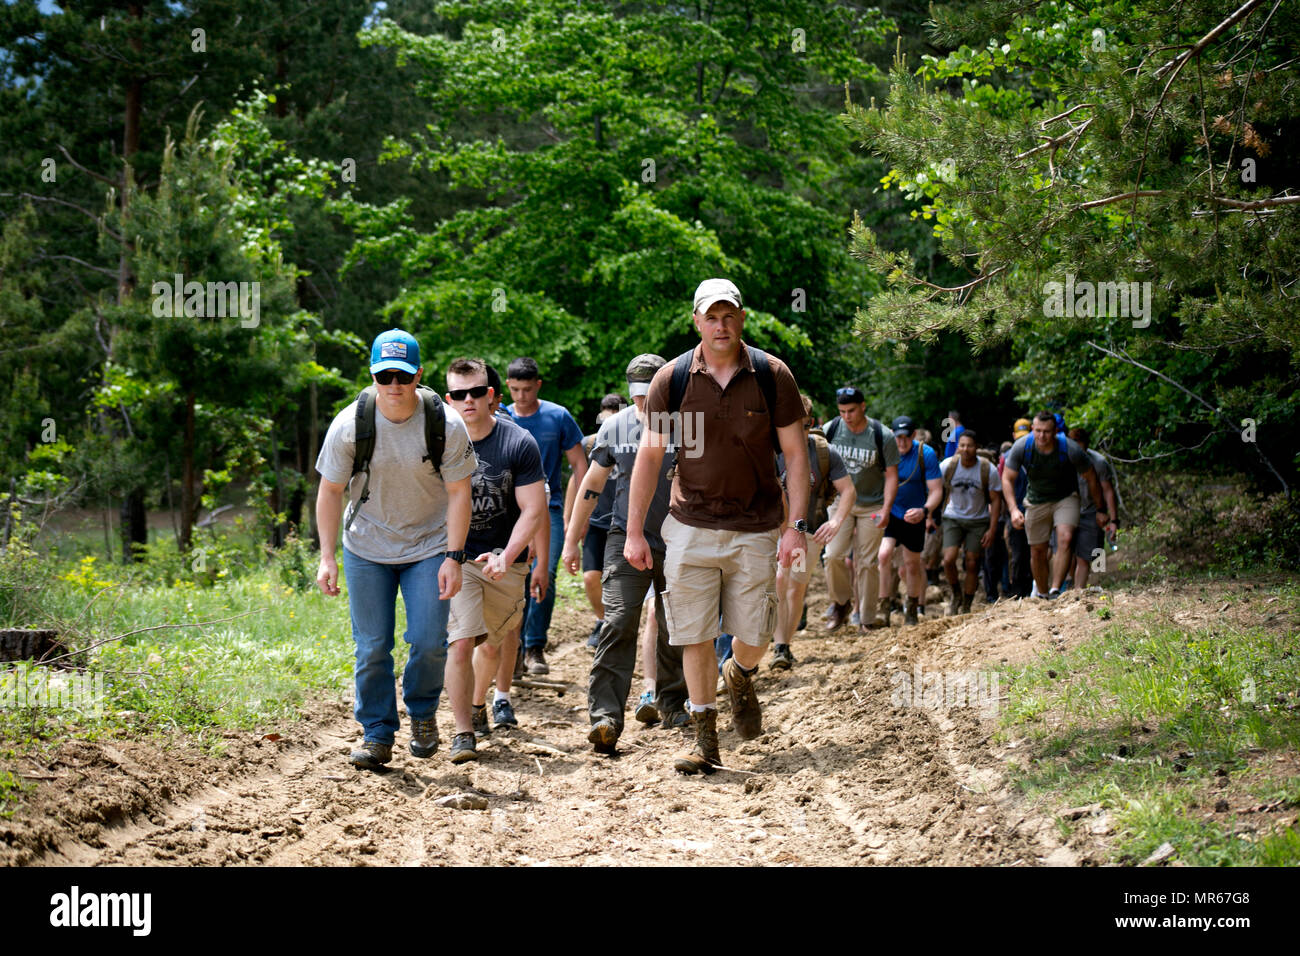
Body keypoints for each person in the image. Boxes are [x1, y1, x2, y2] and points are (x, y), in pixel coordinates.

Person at [625, 278, 808, 775]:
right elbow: (650, 454)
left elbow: (795, 455)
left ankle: (741, 672)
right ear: (697, 321)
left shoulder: (772, 375)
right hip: (689, 523)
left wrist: (797, 525)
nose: (721, 325)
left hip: (756, 524)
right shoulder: (673, 378)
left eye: (729, 315)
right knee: (694, 633)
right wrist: (635, 530)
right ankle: (705, 738)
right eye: (711, 316)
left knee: (755, 633)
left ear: (742, 318)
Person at [315, 329, 477, 770]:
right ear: (371, 376)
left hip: (429, 544)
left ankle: (423, 713)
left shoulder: (446, 423)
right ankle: (377, 732)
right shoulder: (350, 425)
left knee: (428, 641)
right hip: (366, 546)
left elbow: (460, 493)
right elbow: (330, 491)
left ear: (418, 375)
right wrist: (327, 557)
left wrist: (454, 556)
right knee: (371, 647)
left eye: (402, 376)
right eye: (384, 375)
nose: (393, 385)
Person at [563, 354, 688, 753]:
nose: (641, 405)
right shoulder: (615, 426)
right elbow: (591, 485)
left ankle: (671, 702)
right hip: (625, 537)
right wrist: (572, 538)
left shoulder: (689, 425)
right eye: (636, 397)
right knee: (618, 620)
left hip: (681, 535)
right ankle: (605, 717)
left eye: (648, 396)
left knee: (675, 622)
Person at [440, 358, 547, 763]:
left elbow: (534, 509)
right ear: (449, 401)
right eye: (458, 395)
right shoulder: (439, 444)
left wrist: (510, 554)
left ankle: (481, 702)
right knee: (462, 640)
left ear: (490, 395)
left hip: (505, 559)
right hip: (459, 558)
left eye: (475, 392)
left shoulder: (517, 443)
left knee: (491, 647)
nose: (467, 401)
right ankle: (463, 731)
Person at [506, 357, 588, 675]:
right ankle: (510, 648)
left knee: (545, 573)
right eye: (514, 390)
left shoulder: (558, 417)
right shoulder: (502, 417)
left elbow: (580, 465)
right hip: (510, 511)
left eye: (527, 389)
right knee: (515, 575)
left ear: (537, 386)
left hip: (550, 510)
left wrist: (575, 515)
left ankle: (534, 646)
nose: (521, 396)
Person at [773, 394, 855, 668]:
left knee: (795, 589)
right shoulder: (772, 450)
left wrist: (835, 522)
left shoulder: (822, 452)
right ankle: (777, 646)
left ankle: (784, 645)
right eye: (794, 424)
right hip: (773, 529)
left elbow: (848, 491)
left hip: (807, 531)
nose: (801, 430)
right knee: (778, 583)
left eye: (805, 424)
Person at [1001, 411, 1108, 598]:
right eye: (1038, 431)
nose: (1042, 436)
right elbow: (1007, 478)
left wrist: (1100, 509)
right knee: (1038, 550)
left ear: (1055, 431)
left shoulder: (1070, 449)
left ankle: (1055, 589)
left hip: (1066, 497)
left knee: (1065, 538)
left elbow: (1091, 477)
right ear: (1033, 429)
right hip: (1036, 500)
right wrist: (1013, 509)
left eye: (1047, 432)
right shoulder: (1022, 447)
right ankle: (1042, 593)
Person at [821, 387, 899, 631]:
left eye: (851, 410)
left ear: (863, 406)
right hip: (839, 503)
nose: (847, 416)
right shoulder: (830, 431)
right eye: (842, 411)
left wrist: (887, 509)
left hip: (871, 505)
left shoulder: (882, 435)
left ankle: (866, 617)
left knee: (867, 562)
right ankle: (841, 603)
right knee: (832, 556)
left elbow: (891, 476)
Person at [875, 416, 943, 626]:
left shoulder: (925, 454)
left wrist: (925, 510)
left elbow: (936, 490)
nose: (902, 442)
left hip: (914, 515)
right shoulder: (885, 452)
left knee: (912, 565)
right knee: (883, 555)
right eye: (898, 438)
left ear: (913, 436)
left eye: (906, 438)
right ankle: (883, 607)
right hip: (890, 512)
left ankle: (912, 608)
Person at [938, 430, 1002, 615]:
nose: (965, 449)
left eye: (970, 445)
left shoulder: (987, 469)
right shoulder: (948, 466)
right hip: (953, 516)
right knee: (949, 559)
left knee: (973, 562)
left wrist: (992, 528)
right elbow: (934, 487)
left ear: (977, 448)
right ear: (958, 446)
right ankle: (955, 593)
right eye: (962, 445)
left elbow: (996, 499)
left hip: (978, 519)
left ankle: (967, 602)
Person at [578, 395, 624, 648]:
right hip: (597, 521)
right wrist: (572, 522)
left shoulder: (634, 442)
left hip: (624, 523)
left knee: (620, 582)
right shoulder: (589, 444)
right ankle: (602, 619)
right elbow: (580, 482)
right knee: (590, 578)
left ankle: (621, 626)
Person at [1066, 427, 1119, 589]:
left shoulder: (1098, 462)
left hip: (1092, 511)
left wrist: (1113, 519)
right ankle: (1066, 586)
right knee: (1066, 550)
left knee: (1091, 553)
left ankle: (1085, 588)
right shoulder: (1064, 460)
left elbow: (1108, 491)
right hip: (1068, 509)